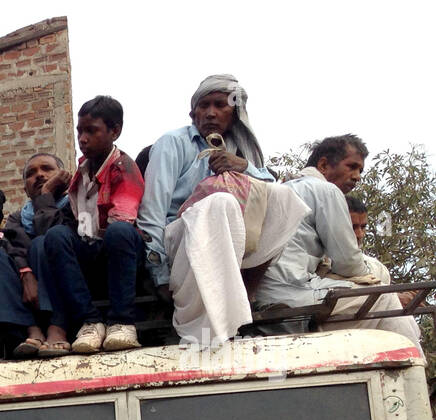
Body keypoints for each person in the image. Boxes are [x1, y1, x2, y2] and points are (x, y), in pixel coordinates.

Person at [138, 75, 308, 345]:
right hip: (178, 241)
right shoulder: (173, 143)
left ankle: (246, 296)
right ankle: (208, 330)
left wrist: (243, 167)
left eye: (219, 105)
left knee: (284, 197)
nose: (210, 113)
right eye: (203, 106)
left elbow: (267, 193)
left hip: (231, 245)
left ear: (236, 112)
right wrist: (159, 275)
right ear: (192, 113)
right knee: (220, 202)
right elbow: (151, 214)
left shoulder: (241, 151)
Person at [253, 137, 420, 344]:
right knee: (384, 298)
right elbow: (348, 262)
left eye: (360, 171)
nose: (357, 177)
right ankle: (415, 371)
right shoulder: (325, 190)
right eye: (352, 167)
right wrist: (376, 279)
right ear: (323, 165)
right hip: (291, 294)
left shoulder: (285, 187)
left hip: (264, 294)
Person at [37, 96, 145, 354]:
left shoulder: (124, 168)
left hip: (120, 253)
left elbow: (122, 219)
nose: (82, 138)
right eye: (79, 131)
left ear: (114, 131)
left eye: (91, 131)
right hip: (92, 248)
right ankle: (90, 321)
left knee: (119, 231)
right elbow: (76, 221)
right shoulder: (82, 170)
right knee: (56, 236)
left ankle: (122, 321)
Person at [0, 153, 67, 355]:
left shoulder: (74, 206)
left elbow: (52, 237)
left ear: (63, 177)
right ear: (25, 190)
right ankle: (32, 329)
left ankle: (58, 327)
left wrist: (46, 195)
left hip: (64, 295)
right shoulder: (18, 217)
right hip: (27, 292)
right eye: (31, 173)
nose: (39, 175)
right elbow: (11, 245)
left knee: (41, 243)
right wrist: (26, 272)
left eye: (47, 169)